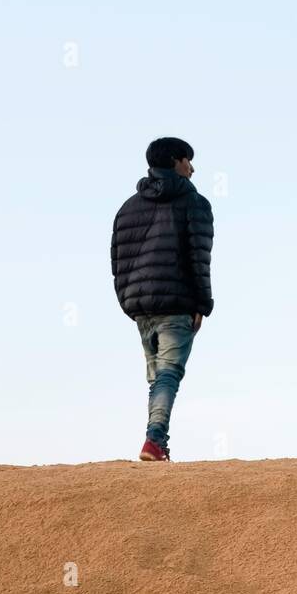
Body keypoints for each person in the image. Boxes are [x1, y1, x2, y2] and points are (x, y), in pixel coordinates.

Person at [111, 137, 214, 462]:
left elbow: (117, 260)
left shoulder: (128, 207)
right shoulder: (193, 202)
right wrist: (202, 303)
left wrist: (129, 301)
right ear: (174, 161)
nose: (192, 168)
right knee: (169, 372)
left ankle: (158, 444)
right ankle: (154, 441)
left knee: (157, 376)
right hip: (177, 302)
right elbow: (199, 256)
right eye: (188, 160)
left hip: (141, 306)